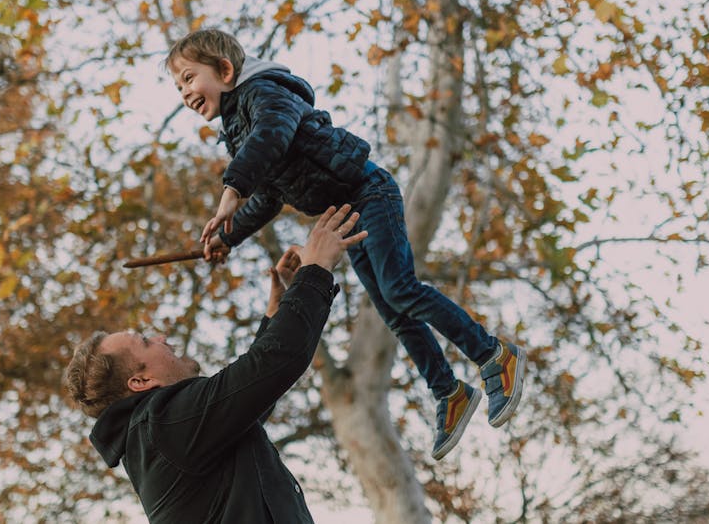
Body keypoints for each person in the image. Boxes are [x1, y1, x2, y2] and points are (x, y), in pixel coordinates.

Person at [164, 28, 526, 460]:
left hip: (367, 192)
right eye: (178, 86)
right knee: (393, 309)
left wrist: (230, 190)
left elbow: (273, 134)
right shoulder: (238, 129)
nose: (185, 92)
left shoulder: (266, 94)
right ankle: (449, 391)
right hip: (343, 214)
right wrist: (228, 237)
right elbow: (268, 196)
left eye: (189, 78)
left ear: (225, 70)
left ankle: (493, 354)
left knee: (399, 289)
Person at [66, 205, 367, 524]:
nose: (161, 337)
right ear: (140, 382)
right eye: (145, 341)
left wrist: (278, 314)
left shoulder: (164, 437)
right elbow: (272, 365)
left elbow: (250, 395)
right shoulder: (162, 425)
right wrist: (316, 269)